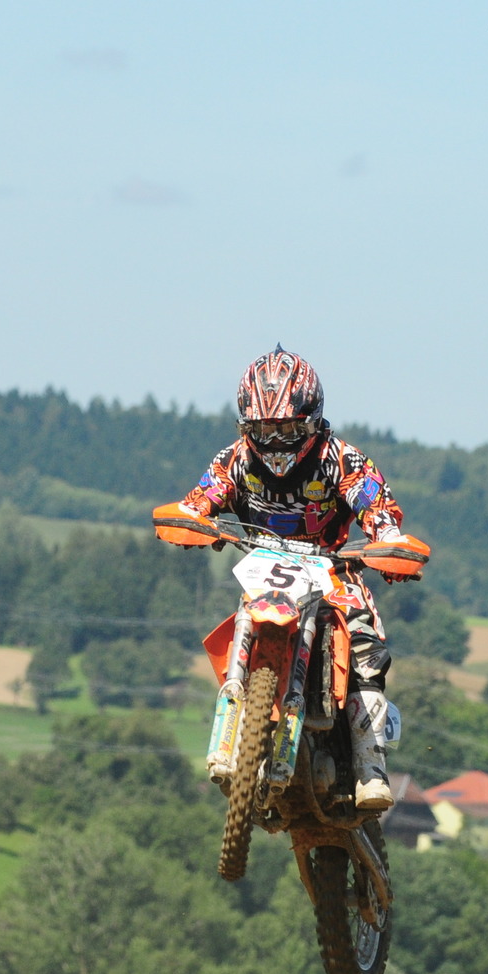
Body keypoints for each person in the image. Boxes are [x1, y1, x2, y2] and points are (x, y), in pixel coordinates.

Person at [174, 346, 417, 810]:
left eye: (288, 429)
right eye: (264, 430)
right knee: (238, 618)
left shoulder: (340, 459)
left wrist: (389, 541)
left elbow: (378, 509)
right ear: (247, 426)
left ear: (312, 418)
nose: (277, 442)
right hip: (265, 571)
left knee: (363, 638)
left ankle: (370, 765)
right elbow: (200, 498)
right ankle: (235, 731)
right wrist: (188, 519)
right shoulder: (235, 460)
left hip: (332, 566)